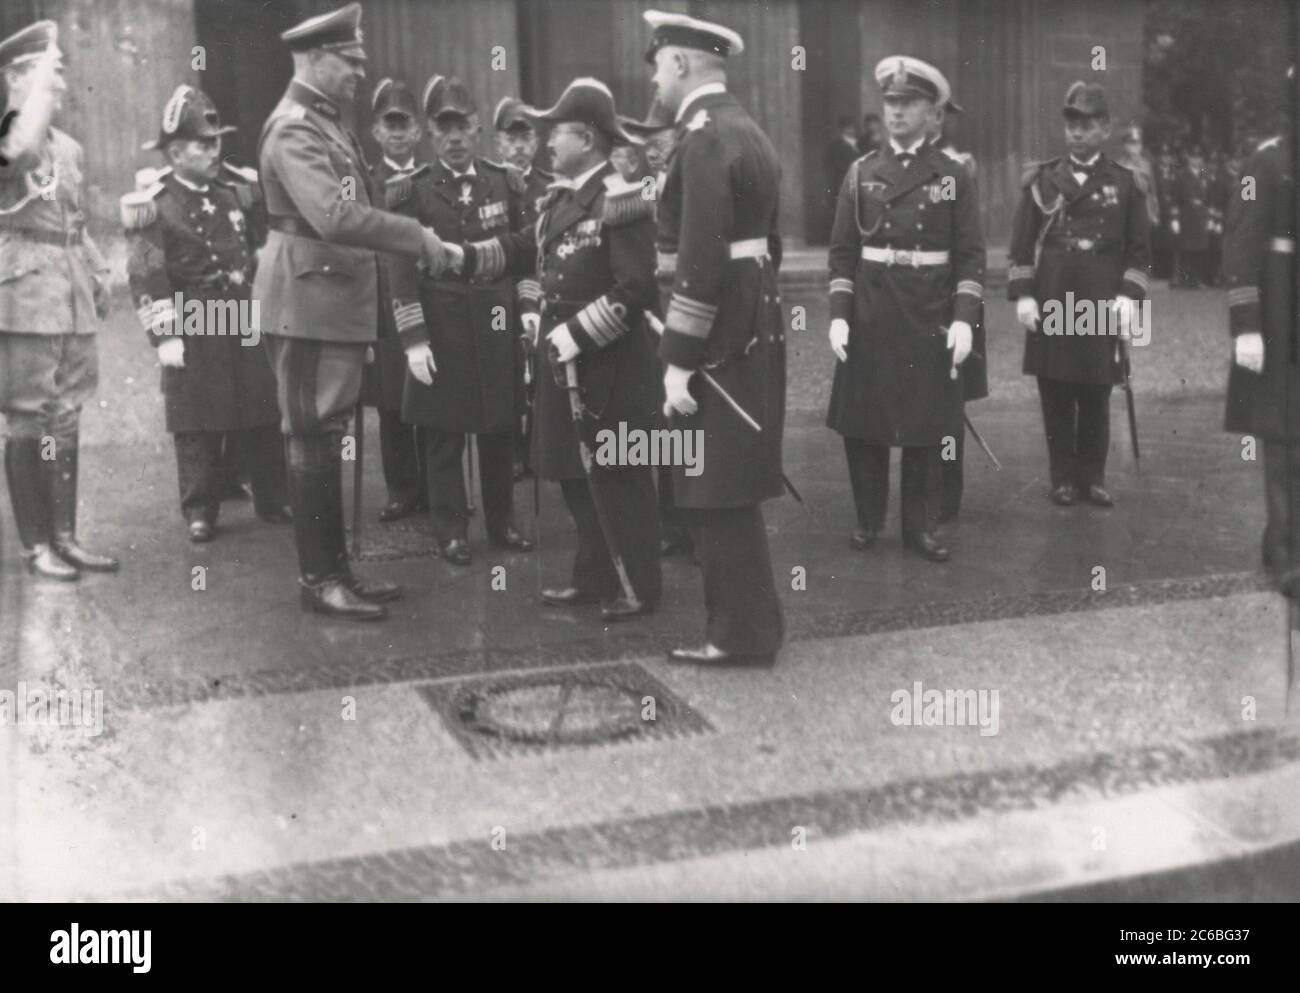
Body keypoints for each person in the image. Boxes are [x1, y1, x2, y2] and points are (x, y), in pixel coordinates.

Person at [255, 2, 448, 620]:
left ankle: (336, 572)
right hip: (307, 301)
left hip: (326, 298)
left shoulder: (322, 123)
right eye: (351, 62)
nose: (361, 73)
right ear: (316, 59)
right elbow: (334, 216)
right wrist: (416, 235)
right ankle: (320, 581)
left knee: (327, 428)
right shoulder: (295, 129)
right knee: (313, 432)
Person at [462, 78, 662, 620]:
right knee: (576, 476)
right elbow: (527, 250)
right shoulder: (560, 198)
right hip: (566, 362)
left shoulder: (623, 197)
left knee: (620, 478)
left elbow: (637, 287)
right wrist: (461, 257)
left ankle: (639, 586)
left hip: (610, 364)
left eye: (559, 133)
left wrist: (577, 334)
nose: (548, 143)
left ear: (589, 140)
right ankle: (594, 578)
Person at [644, 9, 787, 666]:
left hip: (717, 342)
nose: (654, 80)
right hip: (750, 329)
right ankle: (751, 627)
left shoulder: (702, 137)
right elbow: (767, 247)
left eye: (657, 66)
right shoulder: (748, 130)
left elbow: (700, 260)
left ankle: (737, 634)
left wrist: (677, 361)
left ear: (678, 63)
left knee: (712, 491)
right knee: (729, 483)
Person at [826, 56, 985, 563]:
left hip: (927, 312)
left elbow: (971, 255)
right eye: (890, 102)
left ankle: (921, 527)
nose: (895, 112)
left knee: (927, 426)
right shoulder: (861, 172)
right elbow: (842, 253)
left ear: (930, 111)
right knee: (865, 423)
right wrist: (836, 314)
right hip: (872, 311)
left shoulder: (953, 175)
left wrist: (963, 318)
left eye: (908, 103)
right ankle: (868, 520)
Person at [121, 85, 289, 543]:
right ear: (175, 151)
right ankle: (200, 506)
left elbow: (260, 250)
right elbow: (146, 274)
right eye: (203, 143)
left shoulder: (237, 190)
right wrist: (165, 336)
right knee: (196, 412)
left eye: (216, 142)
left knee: (259, 398)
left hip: (240, 307)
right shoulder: (154, 204)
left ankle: (272, 494)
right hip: (193, 312)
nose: (214, 151)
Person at [387, 76, 533, 567]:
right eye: (443, 128)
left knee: (499, 427)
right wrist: (413, 339)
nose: (454, 137)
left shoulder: (504, 182)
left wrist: (529, 310)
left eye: (463, 127)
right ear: (430, 134)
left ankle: (503, 521)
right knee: (444, 434)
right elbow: (402, 270)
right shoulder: (413, 192)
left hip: (495, 319)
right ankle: (450, 529)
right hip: (442, 322)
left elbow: (524, 256)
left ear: (477, 131)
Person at [0, 21, 118, 581]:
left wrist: (97, 271)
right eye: (51, 69)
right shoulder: (9, 139)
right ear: (16, 75)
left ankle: (65, 536)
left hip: (69, 291)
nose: (63, 79)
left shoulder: (68, 147)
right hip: (24, 294)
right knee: (28, 418)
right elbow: (18, 157)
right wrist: (35, 98)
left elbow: (76, 221)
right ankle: (35, 543)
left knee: (66, 416)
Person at [1009, 81, 1151, 509]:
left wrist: (1129, 296)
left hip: (1100, 299)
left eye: (1088, 124)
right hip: (1054, 294)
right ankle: (1063, 478)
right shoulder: (1044, 179)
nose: (1077, 132)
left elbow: (1140, 251)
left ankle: (1094, 477)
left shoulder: (1126, 183)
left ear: (1105, 129)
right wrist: (1024, 296)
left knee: (1096, 390)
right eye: (1072, 123)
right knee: (1055, 391)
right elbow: (1021, 243)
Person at [1223, 90, 1296, 595]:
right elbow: (1242, 240)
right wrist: (1246, 324)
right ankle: (1286, 550)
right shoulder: (1266, 162)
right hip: (1281, 315)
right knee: (1285, 436)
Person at [623, 98, 695, 560]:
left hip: (691, 318)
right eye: (646, 139)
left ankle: (698, 519)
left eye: (661, 136)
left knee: (694, 423)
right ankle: (670, 521)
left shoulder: (696, 185)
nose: (652, 146)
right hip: (650, 321)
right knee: (660, 425)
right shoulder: (637, 190)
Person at [363, 77, 428, 522]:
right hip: (386, 306)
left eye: (406, 124)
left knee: (436, 397)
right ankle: (402, 489)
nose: (399, 132)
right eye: (391, 124)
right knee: (393, 404)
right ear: (376, 132)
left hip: (432, 302)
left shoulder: (433, 178)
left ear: (419, 132)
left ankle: (440, 489)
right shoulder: (363, 183)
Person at [931, 98, 985, 524]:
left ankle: (946, 494)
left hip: (947, 297)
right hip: (903, 299)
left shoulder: (957, 165)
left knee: (949, 404)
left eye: (938, 113)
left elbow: (966, 239)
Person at [493, 95, 553, 481]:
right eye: (510, 138)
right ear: (497, 142)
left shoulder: (552, 186)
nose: (517, 146)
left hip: (546, 294)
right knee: (508, 374)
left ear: (536, 141)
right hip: (500, 297)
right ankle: (513, 451)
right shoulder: (490, 187)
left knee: (545, 373)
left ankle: (542, 449)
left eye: (525, 137)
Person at [1170, 144, 1210, 288]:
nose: (1196, 160)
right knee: (1185, 250)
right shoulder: (1181, 176)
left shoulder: (1204, 174)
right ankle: (1182, 278)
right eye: (1193, 157)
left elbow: (1208, 197)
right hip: (1186, 216)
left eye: (1198, 157)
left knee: (1199, 249)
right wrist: (1174, 219)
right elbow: (1174, 199)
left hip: (1200, 217)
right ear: (1188, 158)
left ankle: (1195, 279)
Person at [822, 115, 858, 242]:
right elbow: (831, 166)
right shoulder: (836, 145)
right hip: (841, 183)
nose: (851, 130)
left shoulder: (859, 143)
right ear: (842, 129)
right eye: (848, 127)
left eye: (852, 127)